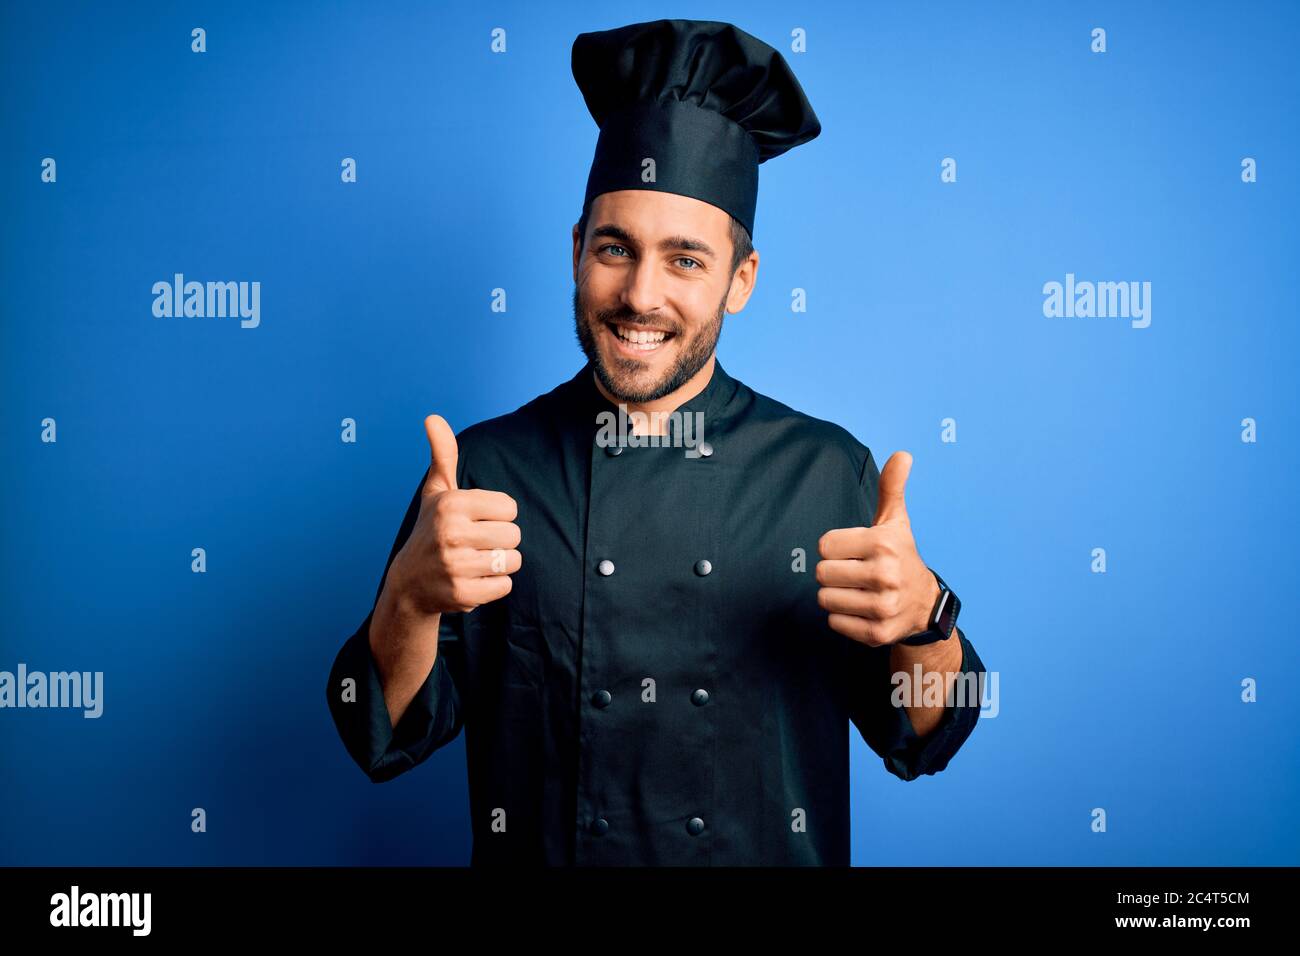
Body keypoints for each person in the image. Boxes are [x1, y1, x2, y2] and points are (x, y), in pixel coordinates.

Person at [326, 18, 987, 866]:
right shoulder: (484, 473)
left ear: (740, 281)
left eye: (684, 260)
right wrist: (408, 602)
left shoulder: (825, 473)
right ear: (575, 253)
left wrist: (927, 618)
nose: (640, 294)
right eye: (615, 248)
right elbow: (375, 729)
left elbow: (931, 735)